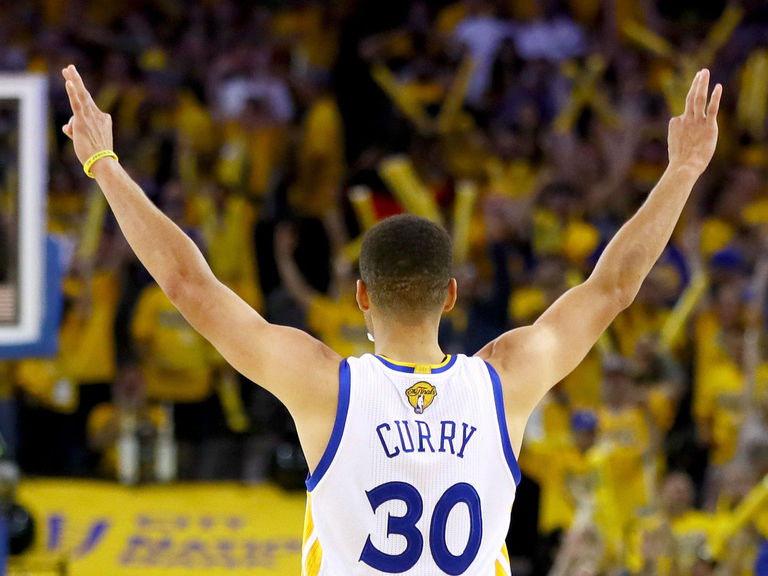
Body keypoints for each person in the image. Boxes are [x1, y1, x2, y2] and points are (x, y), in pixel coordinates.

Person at [60, 64, 721, 575]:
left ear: (361, 297)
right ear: (452, 295)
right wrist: (683, 170)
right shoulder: (505, 380)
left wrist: (104, 165)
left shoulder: (325, 386)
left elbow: (188, 287)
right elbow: (614, 286)